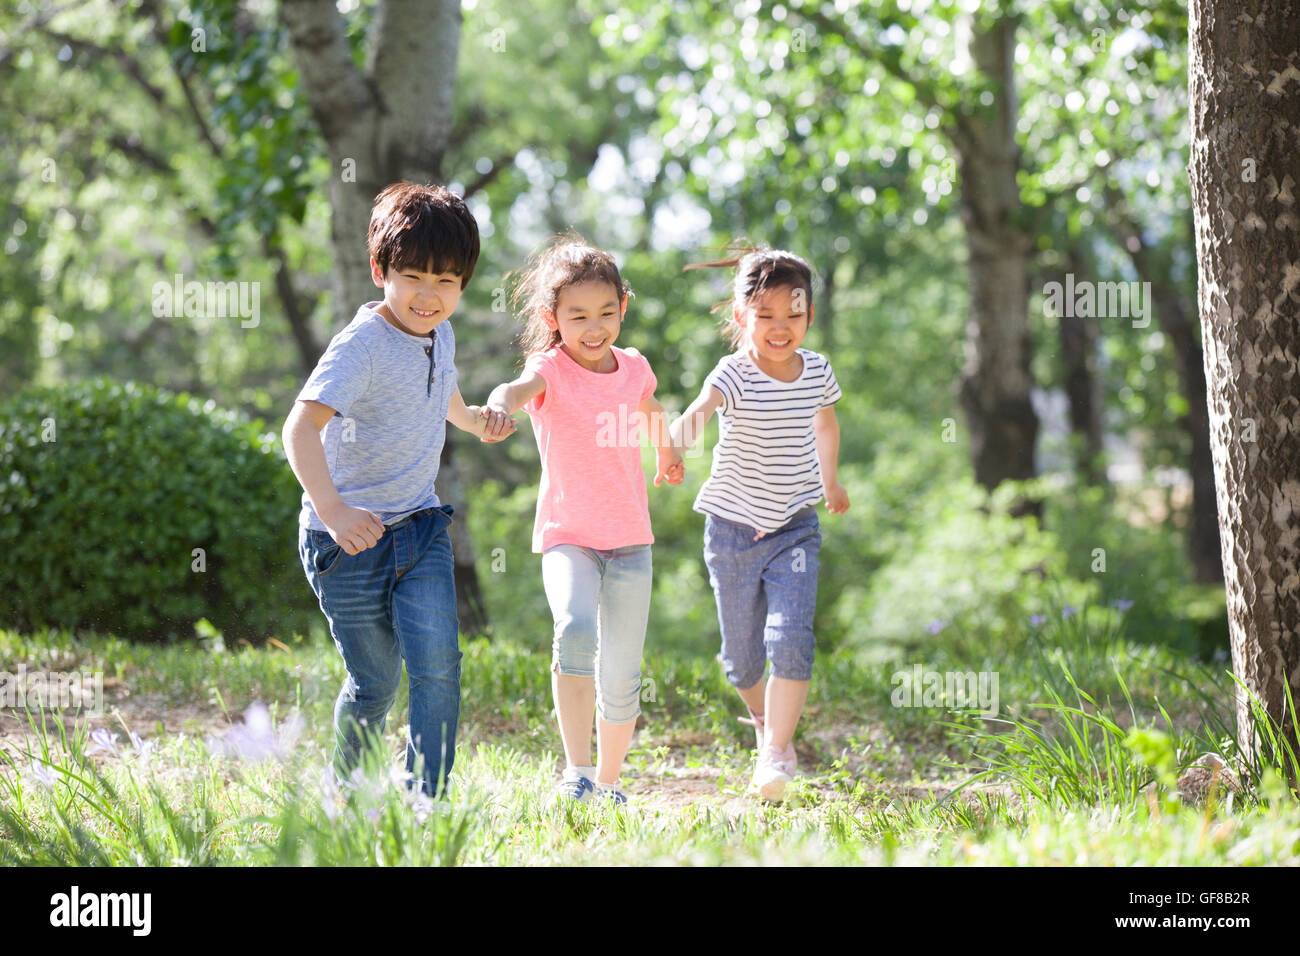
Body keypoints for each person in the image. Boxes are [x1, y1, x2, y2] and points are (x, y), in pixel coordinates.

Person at [282, 181, 514, 798]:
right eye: (414, 276)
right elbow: (299, 428)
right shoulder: (363, 345)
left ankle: (424, 801)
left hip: (420, 527)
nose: (429, 295)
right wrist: (332, 511)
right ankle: (349, 794)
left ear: (463, 284)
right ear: (380, 268)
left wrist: (473, 420)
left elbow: (444, 392)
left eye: (447, 281)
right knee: (377, 683)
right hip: (348, 544)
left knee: (438, 665)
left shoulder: (440, 332)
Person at [486, 235, 683, 805]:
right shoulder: (549, 366)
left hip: (629, 543)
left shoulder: (635, 366)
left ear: (623, 306)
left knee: (621, 674)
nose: (593, 328)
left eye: (605, 313)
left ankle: (611, 782)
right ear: (553, 318)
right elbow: (516, 388)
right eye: (578, 316)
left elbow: (649, 408)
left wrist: (667, 451)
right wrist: (500, 406)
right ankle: (576, 771)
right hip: (568, 536)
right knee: (574, 630)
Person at [670, 247, 849, 801]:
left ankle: (775, 752)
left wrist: (831, 481)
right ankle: (765, 723)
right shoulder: (735, 372)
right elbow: (699, 411)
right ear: (742, 317)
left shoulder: (816, 369)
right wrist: (672, 447)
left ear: (809, 316)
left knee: (790, 638)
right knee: (742, 659)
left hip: (795, 525)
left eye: (792, 316)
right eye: (765, 317)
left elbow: (825, 425)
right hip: (731, 529)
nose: (780, 328)